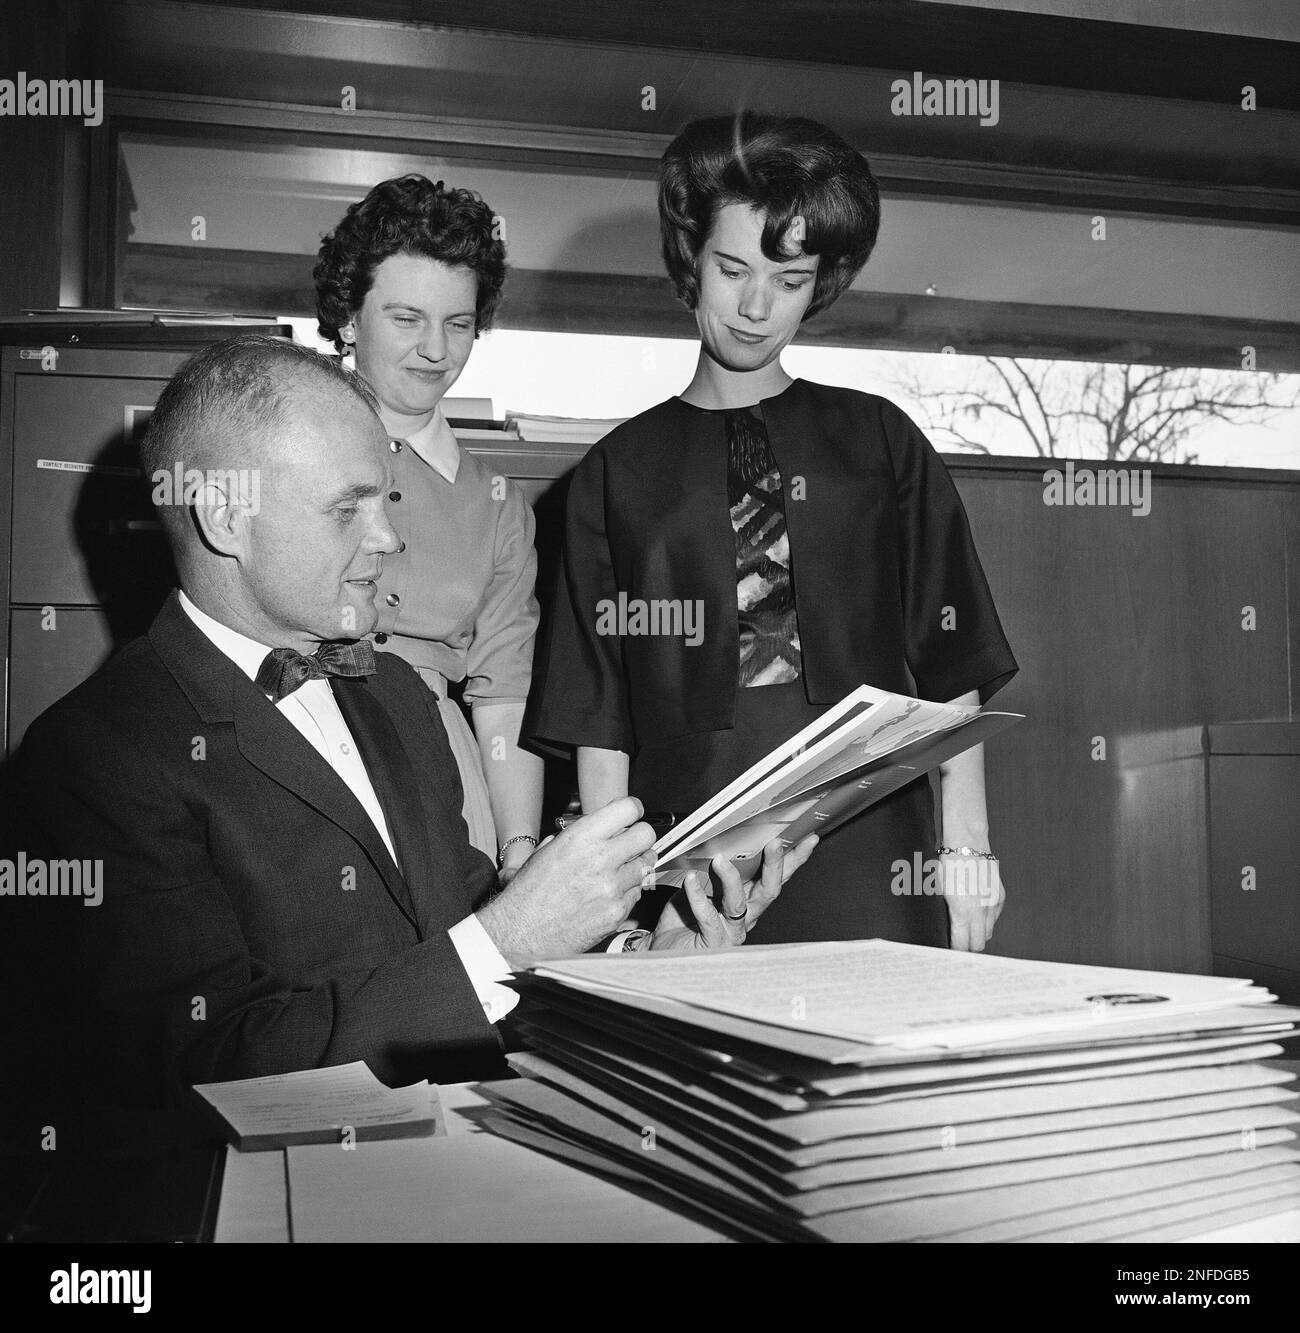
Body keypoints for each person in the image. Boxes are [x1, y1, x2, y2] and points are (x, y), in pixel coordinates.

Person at [0, 335, 815, 1149]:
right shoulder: (91, 757)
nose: (389, 538)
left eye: (386, 501)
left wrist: (646, 954)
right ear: (225, 516)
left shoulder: (392, 692)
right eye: (347, 507)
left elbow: (471, 946)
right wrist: (509, 937)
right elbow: (207, 1067)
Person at [526, 113, 1017, 951]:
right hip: (688, 865)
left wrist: (965, 846)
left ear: (819, 283)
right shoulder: (612, 472)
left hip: (870, 838)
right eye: (732, 268)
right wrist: (608, 908)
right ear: (690, 259)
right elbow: (597, 711)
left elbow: (952, 662)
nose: (756, 307)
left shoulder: (880, 439)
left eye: (788, 279)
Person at [313, 175, 542, 880]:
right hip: (301, 738)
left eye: (459, 323)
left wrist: (520, 854)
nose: (436, 350)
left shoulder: (499, 503)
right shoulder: (281, 452)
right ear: (350, 317)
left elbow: (503, 700)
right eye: (407, 318)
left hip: (441, 779)